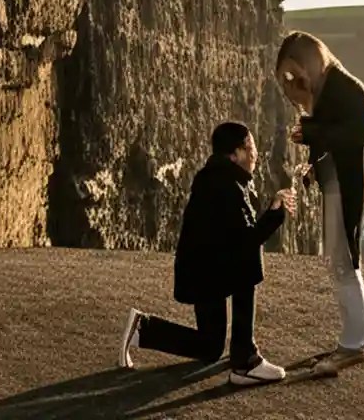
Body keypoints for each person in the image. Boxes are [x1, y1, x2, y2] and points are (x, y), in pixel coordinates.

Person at [117, 122, 297, 386]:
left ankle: (144, 329)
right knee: (248, 261)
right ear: (234, 154)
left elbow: (239, 230)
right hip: (208, 274)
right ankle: (245, 360)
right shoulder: (226, 185)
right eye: (250, 147)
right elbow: (248, 239)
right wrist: (276, 212)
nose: (256, 153)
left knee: (210, 348)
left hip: (207, 269)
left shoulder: (221, 177)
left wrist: (271, 206)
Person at [275, 30, 364, 375]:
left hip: (346, 187)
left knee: (345, 263)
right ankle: (352, 340)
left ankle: (354, 344)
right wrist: (312, 164)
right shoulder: (327, 89)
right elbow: (334, 134)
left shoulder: (346, 90)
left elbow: (361, 128)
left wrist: (313, 134)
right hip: (335, 184)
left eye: (293, 76)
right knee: (340, 262)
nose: (290, 85)